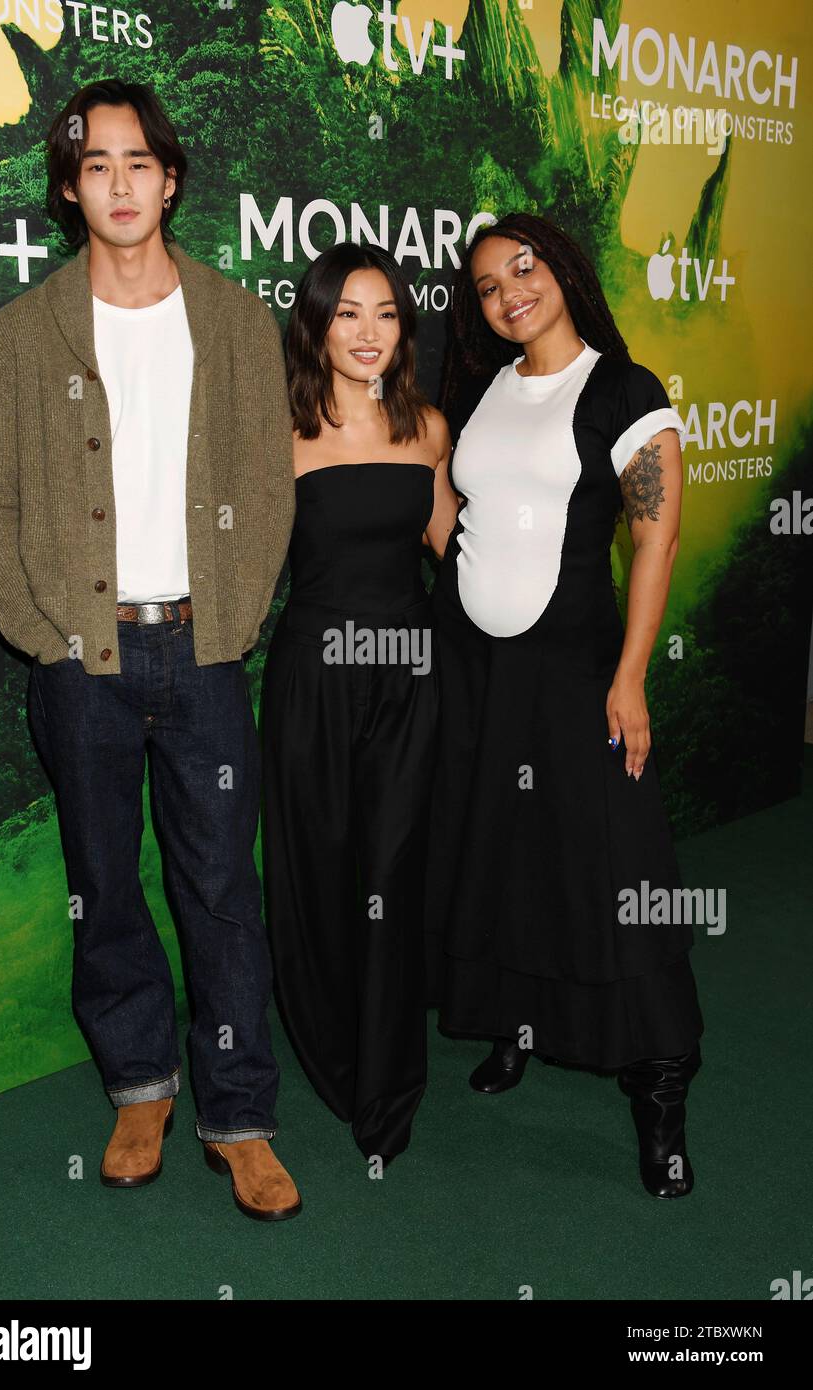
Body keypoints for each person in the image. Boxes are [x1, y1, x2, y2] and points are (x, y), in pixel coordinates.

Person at [0, 79, 301, 1221]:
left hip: (202, 653)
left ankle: (239, 1113)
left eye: (139, 162)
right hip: (81, 666)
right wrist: (40, 632)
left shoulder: (236, 320)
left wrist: (237, 619)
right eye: (96, 164)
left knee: (220, 891)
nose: (120, 183)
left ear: (171, 179)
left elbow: (265, 484)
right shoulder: (26, 330)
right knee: (103, 887)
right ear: (70, 186)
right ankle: (141, 1085)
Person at [425, 212, 704, 1199]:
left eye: (525, 269)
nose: (510, 293)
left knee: (613, 864)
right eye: (490, 286)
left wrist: (630, 676)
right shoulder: (480, 389)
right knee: (499, 852)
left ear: (563, 271)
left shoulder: (626, 391)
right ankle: (517, 1027)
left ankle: (663, 1089)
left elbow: (655, 540)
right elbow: (457, 508)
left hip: (578, 669)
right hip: (477, 673)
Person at [259, 242, 457, 1166]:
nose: (368, 331)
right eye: (347, 312)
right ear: (316, 324)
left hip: (407, 675)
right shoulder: (278, 431)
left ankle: (388, 1078)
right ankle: (333, 1051)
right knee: (317, 869)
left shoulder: (429, 429)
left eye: (385, 312)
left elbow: (453, 550)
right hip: (314, 677)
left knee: (393, 872)